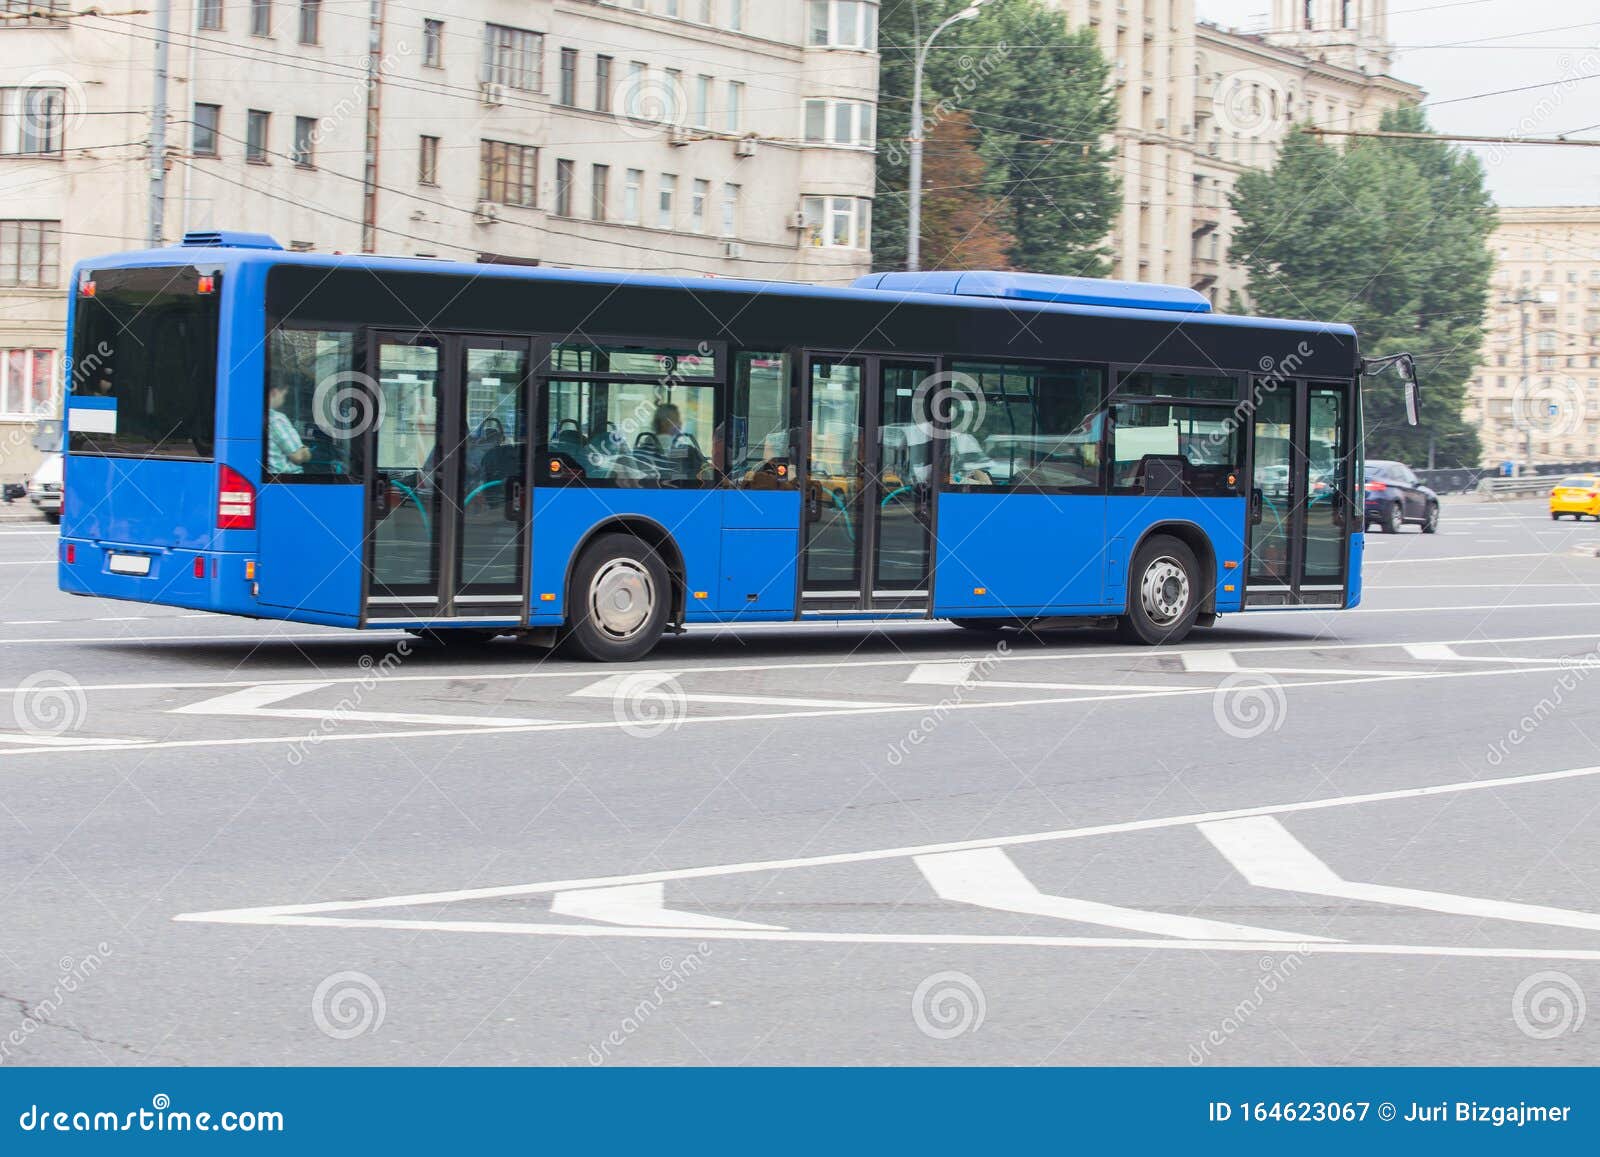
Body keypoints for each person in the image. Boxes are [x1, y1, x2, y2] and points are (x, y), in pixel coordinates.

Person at [266, 384, 311, 474]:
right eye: (284, 395)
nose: (284, 399)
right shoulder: (276, 419)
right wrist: (305, 451)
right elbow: (297, 457)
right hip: (287, 479)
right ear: (274, 392)